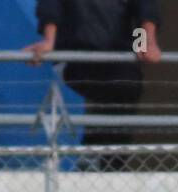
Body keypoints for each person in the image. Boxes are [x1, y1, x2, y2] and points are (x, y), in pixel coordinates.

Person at [25, 1, 162, 170]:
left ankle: (106, 163)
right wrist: (49, 40)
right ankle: (92, 155)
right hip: (75, 54)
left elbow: (143, 11)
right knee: (108, 87)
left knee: (128, 85)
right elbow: (51, 6)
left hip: (117, 56)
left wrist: (145, 41)